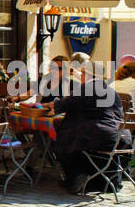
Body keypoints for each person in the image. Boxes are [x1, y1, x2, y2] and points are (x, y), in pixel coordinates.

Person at [50, 63, 129, 194]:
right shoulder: (110, 90)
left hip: (100, 136)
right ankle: (102, 180)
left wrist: (55, 102)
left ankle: (76, 177)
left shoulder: (87, 88)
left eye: (81, 74)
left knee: (62, 136)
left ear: (86, 74)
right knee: (72, 132)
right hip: (120, 137)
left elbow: (65, 104)